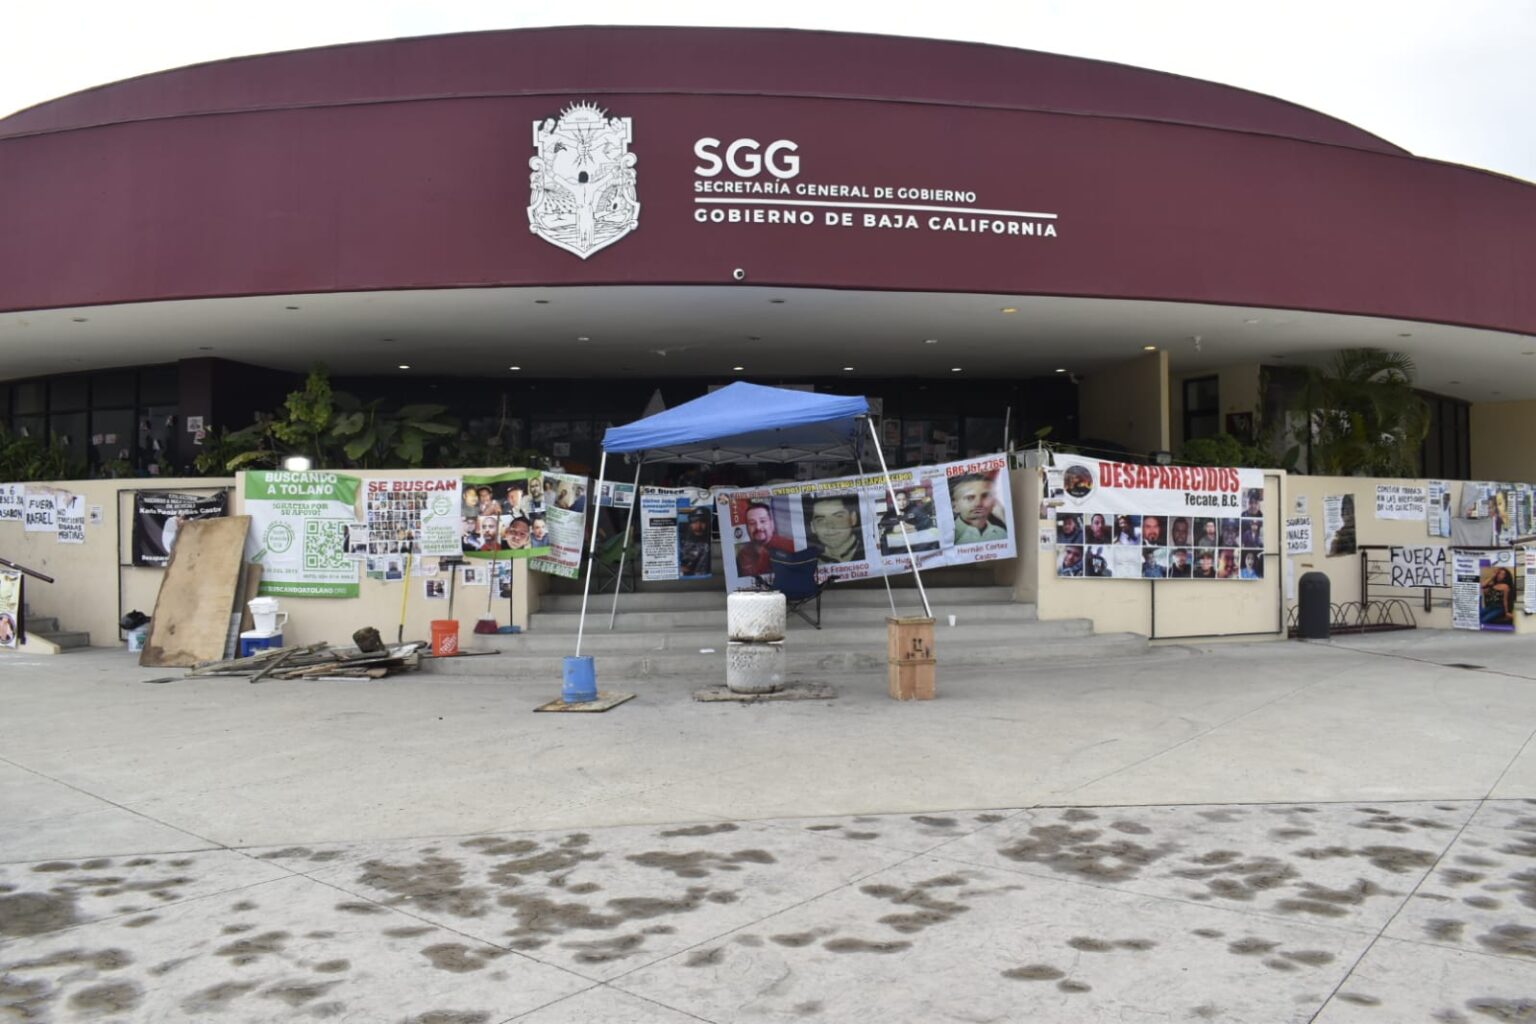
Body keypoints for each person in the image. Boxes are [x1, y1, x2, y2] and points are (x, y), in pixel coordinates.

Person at [735, 502, 794, 577]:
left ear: (772, 524)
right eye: (752, 523)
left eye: (763, 521)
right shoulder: (743, 555)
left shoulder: (790, 547)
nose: (758, 527)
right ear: (747, 528)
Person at [950, 473, 1008, 543]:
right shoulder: (949, 536)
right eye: (970, 498)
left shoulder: (1002, 533)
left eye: (985, 496)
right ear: (954, 506)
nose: (978, 503)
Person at [806, 495, 864, 564]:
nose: (830, 526)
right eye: (820, 520)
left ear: (853, 518)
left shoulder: (871, 552)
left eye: (838, 516)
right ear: (813, 527)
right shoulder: (809, 562)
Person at [678, 507, 712, 577]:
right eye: (694, 522)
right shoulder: (681, 543)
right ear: (690, 524)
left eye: (702, 521)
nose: (698, 526)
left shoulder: (711, 543)